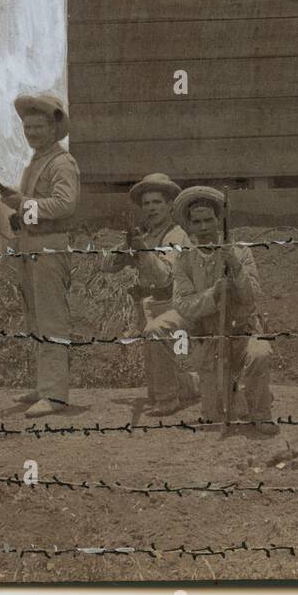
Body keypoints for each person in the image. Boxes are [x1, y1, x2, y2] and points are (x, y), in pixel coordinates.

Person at [170, 186, 278, 436]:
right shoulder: (184, 260)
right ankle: (238, 393)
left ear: (219, 220)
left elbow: (253, 298)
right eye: (197, 222)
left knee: (260, 353)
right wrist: (213, 294)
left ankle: (261, 413)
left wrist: (236, 268)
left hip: (242, 333)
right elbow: (182, 305)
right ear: (190, 226)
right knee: (214, 416)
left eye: (209, 220)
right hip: (210, 342)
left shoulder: (240, 251)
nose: (204, 226)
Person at [2, 92, 78, 418]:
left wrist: (23, 204)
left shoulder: (61, 162)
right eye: (27, 127)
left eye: (38, 126)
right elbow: (40, 208)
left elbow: (66, 203)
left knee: (51, 321)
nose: (31, 132)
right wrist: (21, 217)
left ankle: (56, 395)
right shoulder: (37, 162)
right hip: (32, 246)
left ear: (53, 128)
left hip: (50, 246)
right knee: (35, 318)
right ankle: (44, 386)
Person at [100, 173, 199, 416]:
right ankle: (198, 382)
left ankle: (169, 400)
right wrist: (125, 250)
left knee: (162, 369)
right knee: (154, 388)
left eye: (157, 202)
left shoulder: (176, 236)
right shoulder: (146, 235)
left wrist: (143, 251)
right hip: (149, 306)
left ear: (169, 206)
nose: (151, 208)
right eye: (146, 203)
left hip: (175, 306)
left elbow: (164, 277)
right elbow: (105, 265)